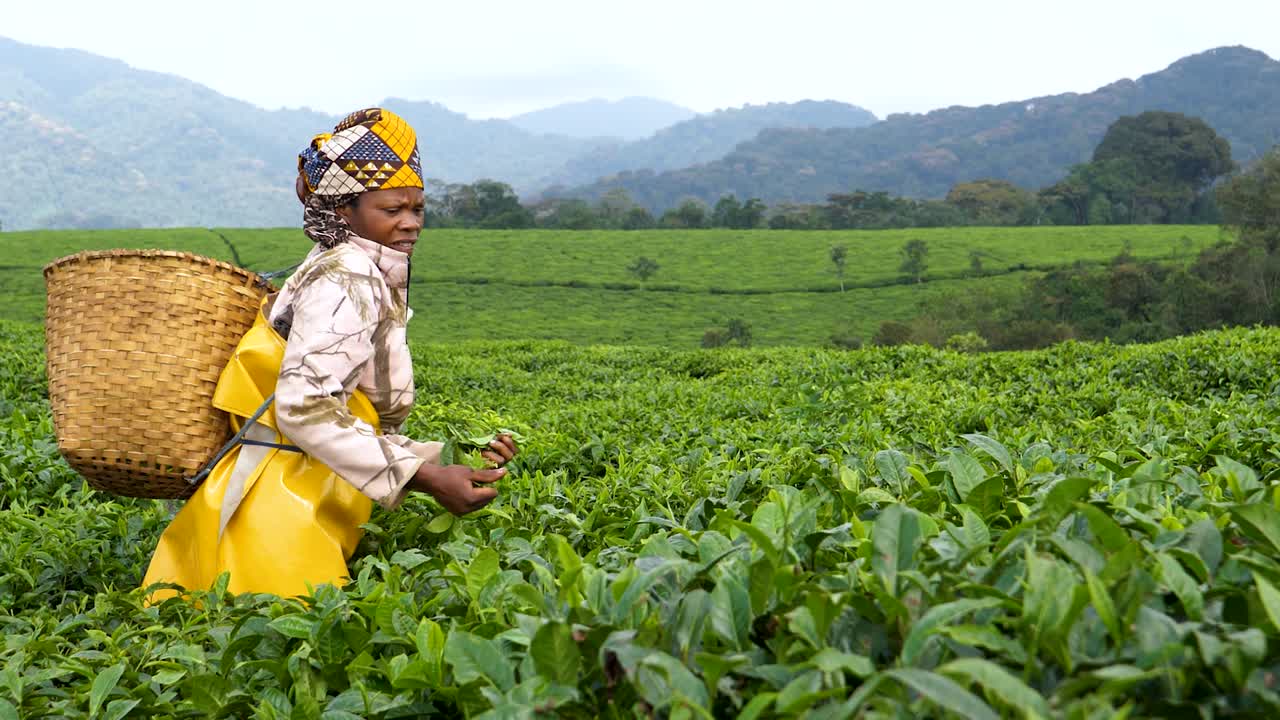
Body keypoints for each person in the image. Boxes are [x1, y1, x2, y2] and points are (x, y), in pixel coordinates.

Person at [142, 108, 516, 601]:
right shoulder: (347, 277)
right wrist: (425, 477)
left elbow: (345, 411)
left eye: (417, 209)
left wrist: (447, 459)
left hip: (298, 490)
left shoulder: (351, 266)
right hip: (278, 514)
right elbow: (305, 409)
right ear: (344, 211)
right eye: (392, 210)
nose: (410, 224)